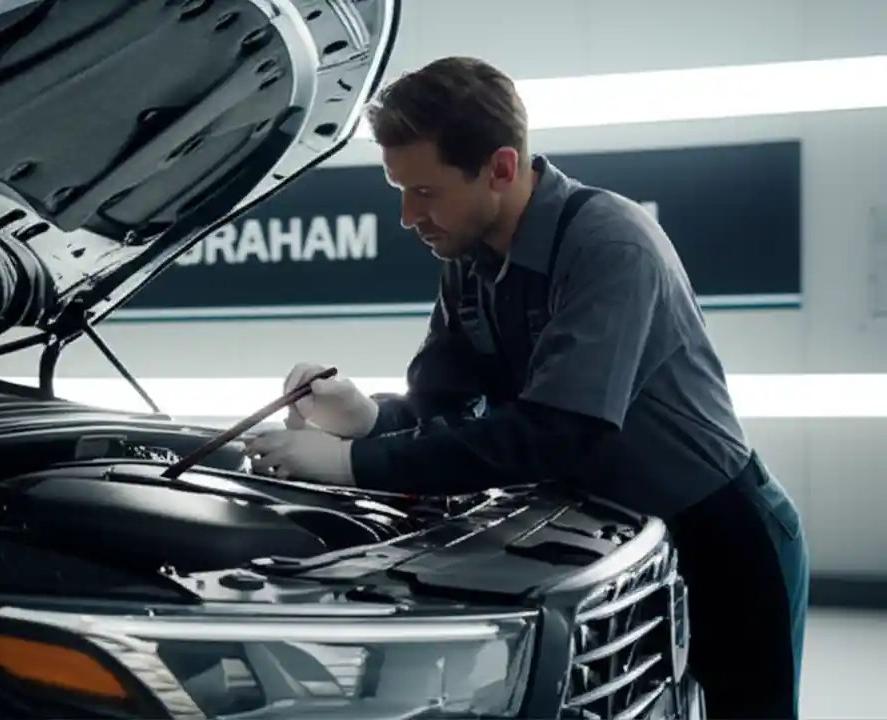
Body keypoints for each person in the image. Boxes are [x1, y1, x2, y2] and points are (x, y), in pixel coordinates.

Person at [245, 56, 809, 719]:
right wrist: (369, 420)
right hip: (607, 541)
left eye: (424, 191)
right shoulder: (468, 261)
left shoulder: (610, 245)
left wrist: (352, 464)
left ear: (502, 168)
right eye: (400, 190)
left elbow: (557, 434)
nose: (406, 216)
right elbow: (449, 409)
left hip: (724, 536)